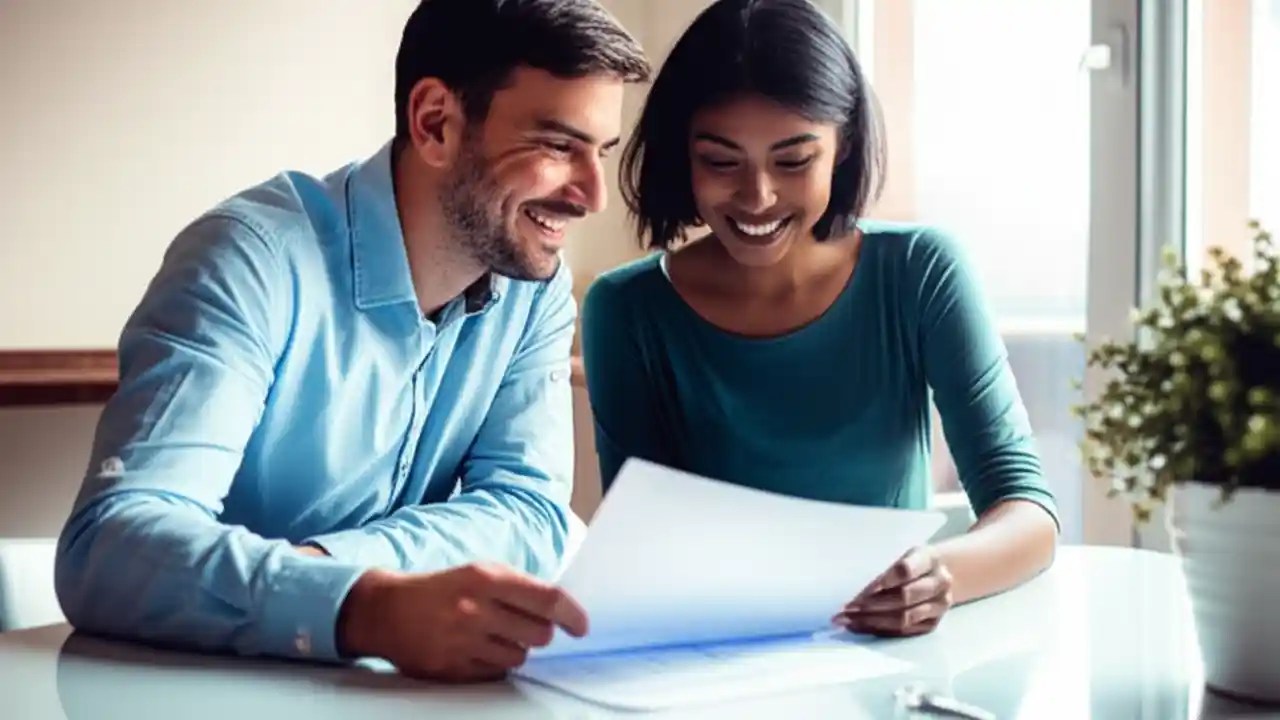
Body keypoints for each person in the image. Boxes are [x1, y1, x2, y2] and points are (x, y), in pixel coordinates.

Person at [54, 0, 649, 682]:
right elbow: (108, 547)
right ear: (435, 123)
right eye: (558, 145)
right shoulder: (250, 259)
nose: (594, 196)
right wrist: (364, 608)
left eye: (602, 152)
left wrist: (338, 578)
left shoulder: (534, 287)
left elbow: (529, 513)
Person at [581, 0, 1057, 638]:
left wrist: (941, 575)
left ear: (844, 145)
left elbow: (1028, 512)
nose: (757, 196)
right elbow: (640, 544)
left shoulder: (921, 272)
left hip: (892, 660)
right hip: (717, 660)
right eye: (721, 161)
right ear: (682, 154)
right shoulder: (626, 310)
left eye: (793, 161)